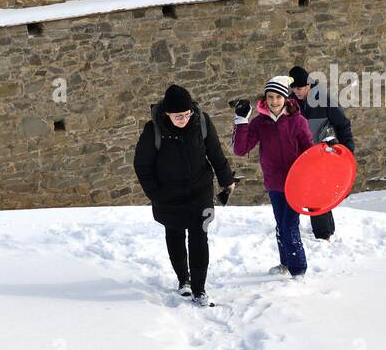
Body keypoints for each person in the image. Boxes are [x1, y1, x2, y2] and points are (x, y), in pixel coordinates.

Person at [133, 84, 234, 305]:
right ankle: (183, 280)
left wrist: (226, 180)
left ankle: (199, 289)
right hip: (168, 194)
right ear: (167, 114)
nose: (184, 119)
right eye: (178, 116)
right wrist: (155, 194)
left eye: (187, 114)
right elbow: (142, 165)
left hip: (201, 190)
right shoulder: (154, 130)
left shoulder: (202, 122)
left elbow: (215, 153)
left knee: (200, 237)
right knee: (175, 235)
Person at [232, 75, 314, 277]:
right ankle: (285, 264)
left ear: (285, 97)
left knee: (289, 227)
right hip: (275, 183)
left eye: (278, 96)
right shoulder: (260, 123)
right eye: (270, 97)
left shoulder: (298, 121)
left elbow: (309, 151)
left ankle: (298, 270)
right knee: (281, 225)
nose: (274, 101)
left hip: (296, 183)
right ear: (265, 98)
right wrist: (242, 120)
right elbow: (240, 149)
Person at [288, 65, 355, 241]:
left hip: (323, 153)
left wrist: (348, 153)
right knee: (313, 192)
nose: (297, 91)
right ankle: (326, 231)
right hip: (303, 156)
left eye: (300, 88)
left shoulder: (325, 99)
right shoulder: (291, 103)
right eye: (293, 88)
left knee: (316, 192)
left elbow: (343, 125)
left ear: (309, 85)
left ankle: (323, 235)